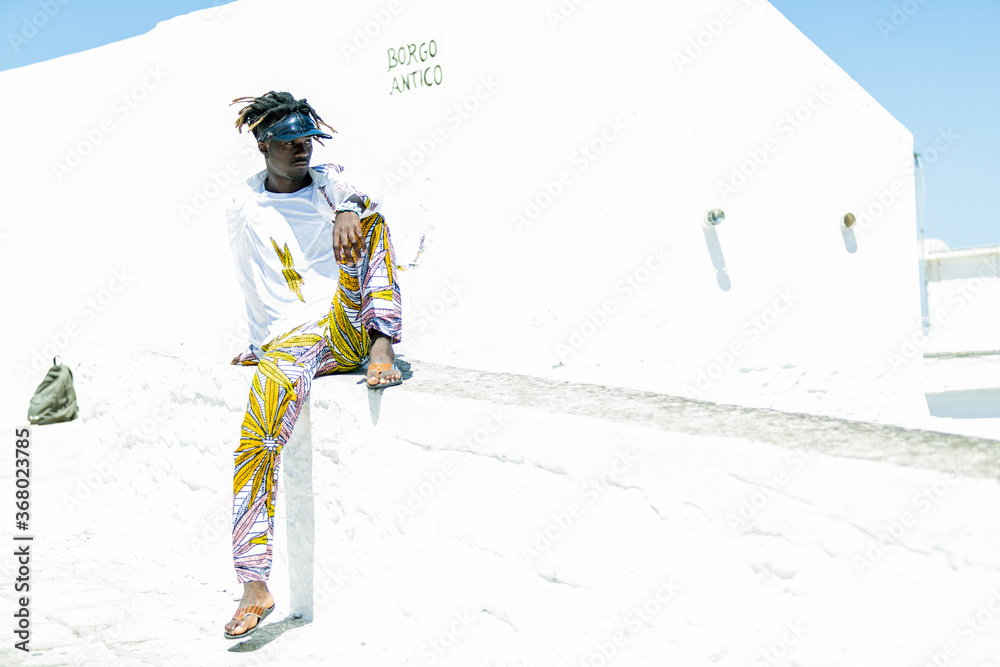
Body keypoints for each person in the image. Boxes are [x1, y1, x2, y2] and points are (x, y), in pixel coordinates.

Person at [222, 91, 403, 639]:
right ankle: (255, 582)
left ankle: (382, 344)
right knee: (256, 443)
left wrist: (348, 209)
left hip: (342, 324)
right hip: (287, 344)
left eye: (307, 139)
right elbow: (248, 277)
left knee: (371, 219)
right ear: (263, 145)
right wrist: (258, 342)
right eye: (288, 142)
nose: (301, 149)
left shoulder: (329, 184)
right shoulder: (243, 205)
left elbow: (353, 189)